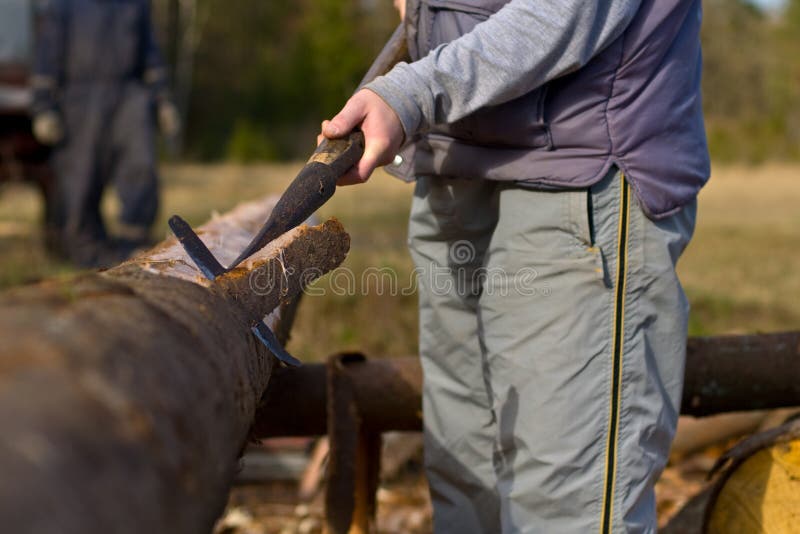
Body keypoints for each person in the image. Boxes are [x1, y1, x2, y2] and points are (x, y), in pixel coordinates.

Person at [321, 0, 709, 532]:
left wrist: (410, 91)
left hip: (579, 179)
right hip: (453, 167)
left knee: (562, 502)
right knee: (466, 483)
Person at [30, 0, 179, 267]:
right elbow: (48, 53)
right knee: (80, 177)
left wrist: (163, 99)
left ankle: (136, 249)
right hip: (79, 99)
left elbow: (151, 53)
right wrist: (44, 106)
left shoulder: (136, 4)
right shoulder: (63, 5)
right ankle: (88, 254)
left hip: (128, 95)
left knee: (140, 167)